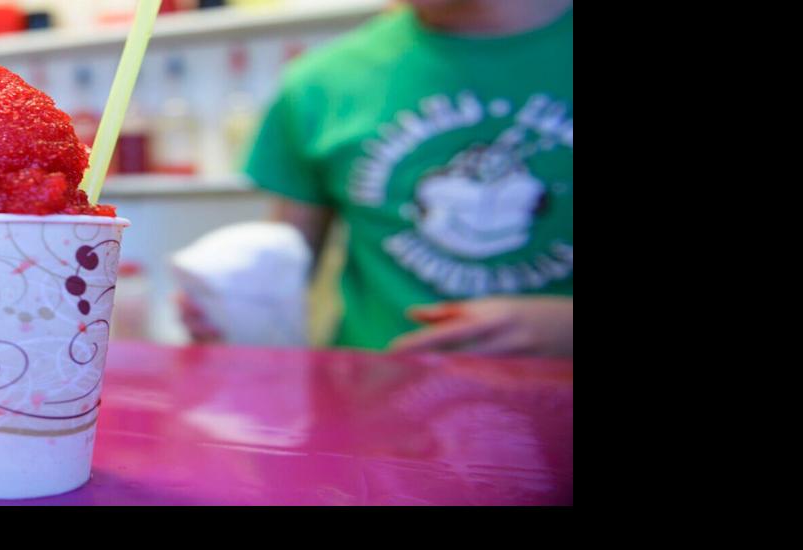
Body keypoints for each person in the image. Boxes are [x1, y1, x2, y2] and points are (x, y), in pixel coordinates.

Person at [189, 0, 573, 357]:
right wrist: (232, 305)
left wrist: (560, 325)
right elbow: (286, 262)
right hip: (370, 401)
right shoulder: (324, 81)